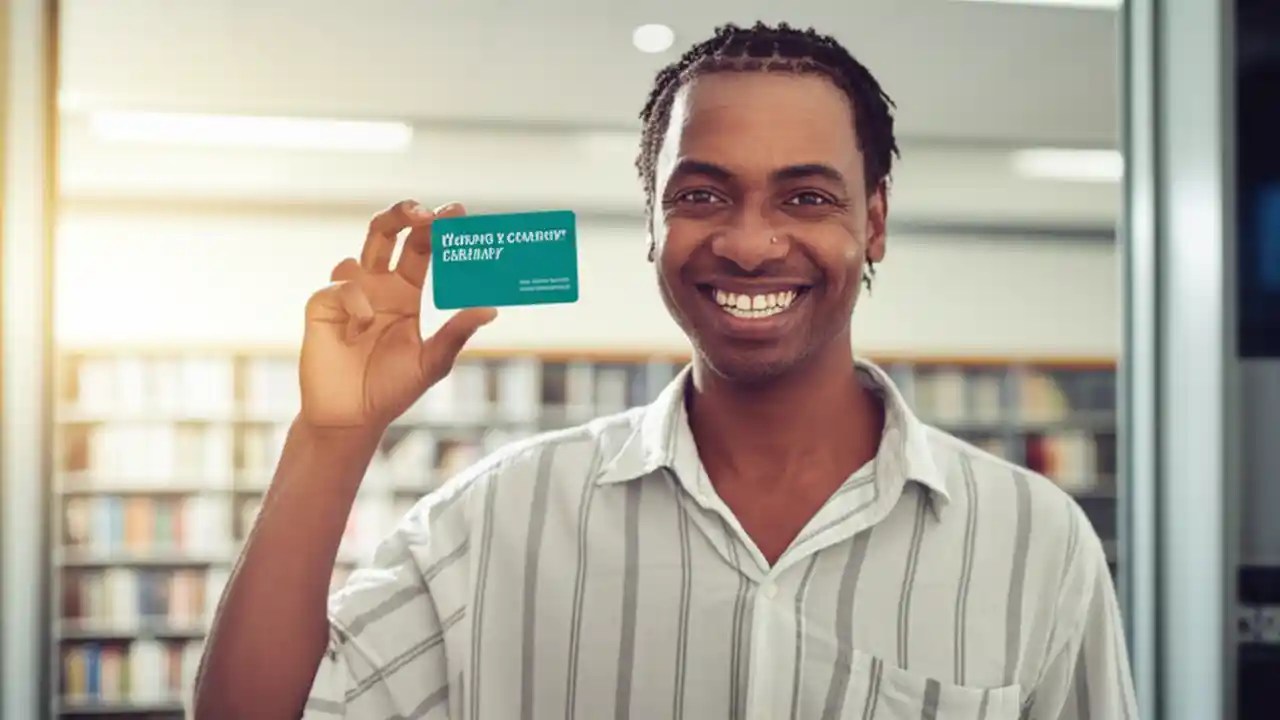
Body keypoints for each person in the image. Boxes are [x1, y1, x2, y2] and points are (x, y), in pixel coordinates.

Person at [194, 21, 1138, 720]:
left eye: (806, 197)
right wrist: (333, 437)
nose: (751, 243)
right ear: (652, 221)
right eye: (702, 194)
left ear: (875, 221)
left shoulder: (1034, 539)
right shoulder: (495, 518)